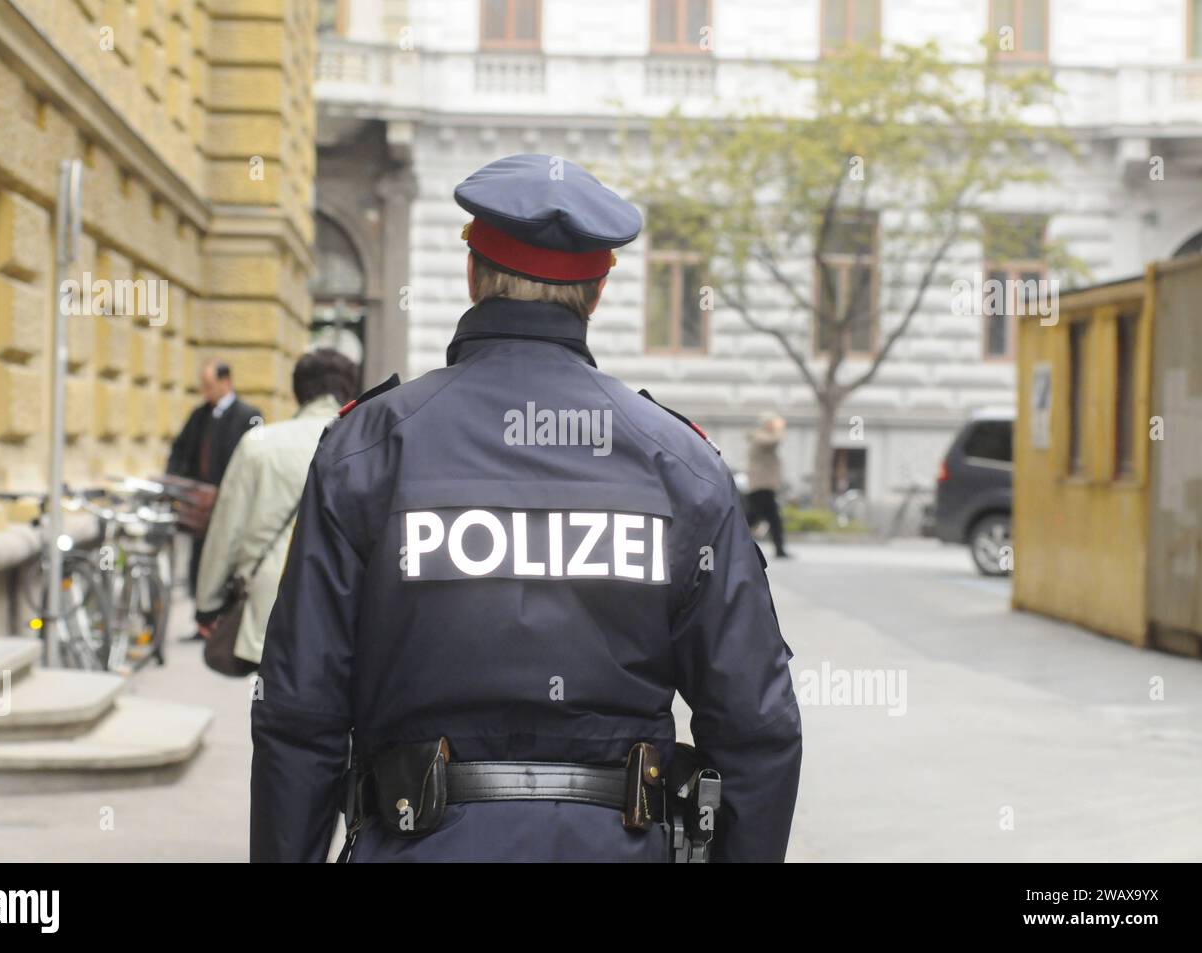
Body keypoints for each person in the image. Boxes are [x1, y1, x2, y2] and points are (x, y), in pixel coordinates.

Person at [251, 154, 801, 863]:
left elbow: (299, 715)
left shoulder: (369, 449)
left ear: (474, 274)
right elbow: (758, 725)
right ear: (597, 292)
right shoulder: (680, 465)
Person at [193, 349, 360, 670]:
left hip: (269, 604)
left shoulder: (259, 443)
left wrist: (208, 605)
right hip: (345, 606)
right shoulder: (368, 441)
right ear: (348, 390)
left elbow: (227, 530)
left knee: (270, 700)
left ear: (297, 391)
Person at [166, 361, 262, 616]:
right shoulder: (200, 415)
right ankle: (203, 610)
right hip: (200, 503)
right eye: (203, 386)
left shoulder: (248, 415)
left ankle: (224, 611)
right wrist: (177, 482)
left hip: (232, 500)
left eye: (209, 386)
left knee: (227, 555)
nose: (205, 391)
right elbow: (180, 449)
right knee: (200, 557)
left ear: (225, 382)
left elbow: (254, 455)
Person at [746, 413, 792, 558]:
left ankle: (779, 549)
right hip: (761, 485)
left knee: (762, 517)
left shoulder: (761, 436)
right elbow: (774, 441)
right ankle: (779, 549)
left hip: (764, 485)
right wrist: (779, 429)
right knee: (758, 517)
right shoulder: (760, 437)